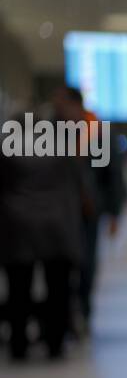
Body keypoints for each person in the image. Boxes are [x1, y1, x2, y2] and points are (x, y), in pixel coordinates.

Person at [0, 111, 85, 361]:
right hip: (56, 226)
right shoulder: (61, 151)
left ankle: (18, 344)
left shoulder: (7, 150)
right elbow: (76, 183)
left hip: (18, 226)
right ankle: (55, 342)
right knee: (58, 288)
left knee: (18, 289)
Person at [51, 86, 125, 333]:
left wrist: (114, 213)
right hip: (60, 210)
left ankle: (83, 310)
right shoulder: (53, 130)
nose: (58, 109)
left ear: (76, 105)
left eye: (62, 104)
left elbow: (113, 174)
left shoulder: (98, 131)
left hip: (88, 210)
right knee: (62, 265)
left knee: (87, 262)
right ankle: (67, 316)